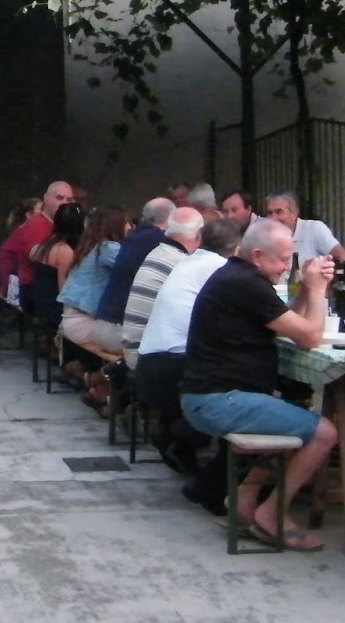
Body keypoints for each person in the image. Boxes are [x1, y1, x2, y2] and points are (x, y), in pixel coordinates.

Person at [178, 218, 339, 550]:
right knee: (324, 433)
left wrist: (305, 290)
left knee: (294, 409)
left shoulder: (240, 277)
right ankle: (272, 514)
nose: (286, 267)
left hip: (211, 395)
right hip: (219, 400)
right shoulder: (245, 283)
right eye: (282, 260)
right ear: (256, 256)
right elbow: (310, 337)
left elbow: (284, 321)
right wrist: (319, 291)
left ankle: (245, 498)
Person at [134, 218, 242, 474]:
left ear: (201, 239)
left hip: (149, 363)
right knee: (237, 380)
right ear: (236, 248)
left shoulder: (189, 261)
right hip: (172, 369)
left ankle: (180, 437)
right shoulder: (221, 268)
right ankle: (186, 439)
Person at [119, 207, 203, 364]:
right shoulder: (182, 264)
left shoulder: (158, 253)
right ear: (198, 235)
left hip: (133, 347)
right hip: (146, 357)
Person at [56, 204, 131, 356]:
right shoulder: (108, 248)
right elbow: (135, 266)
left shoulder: (91, 245)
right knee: (139, 342)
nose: (130, 227)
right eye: (126, 222)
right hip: (84, 323)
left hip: (72, 321)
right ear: (115, 225)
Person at [93, 197, 174, 338]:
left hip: (103, 324)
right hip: (123, 331)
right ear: (171, 218)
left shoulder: (134, 236)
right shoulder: (161, 240)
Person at [2, 181, 76, 316]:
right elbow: (38, 258)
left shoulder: (58, 225)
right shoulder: (37, 225)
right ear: (46, 199)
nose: (65, 203)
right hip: (36, 293)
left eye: (69, 200)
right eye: (59, 198)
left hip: (46, 290)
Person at [27, 202, 85, 336]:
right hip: (53, 311)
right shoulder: (63, 251)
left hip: (40, 304)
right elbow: (64, 291)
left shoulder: (44, 245)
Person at [263, 190, 345, 266]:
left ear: (294, 213)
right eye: (269, 213)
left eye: (279, 212)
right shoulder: (263, 235)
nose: (273, 218)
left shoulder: (313, 228)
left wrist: (325, 277)